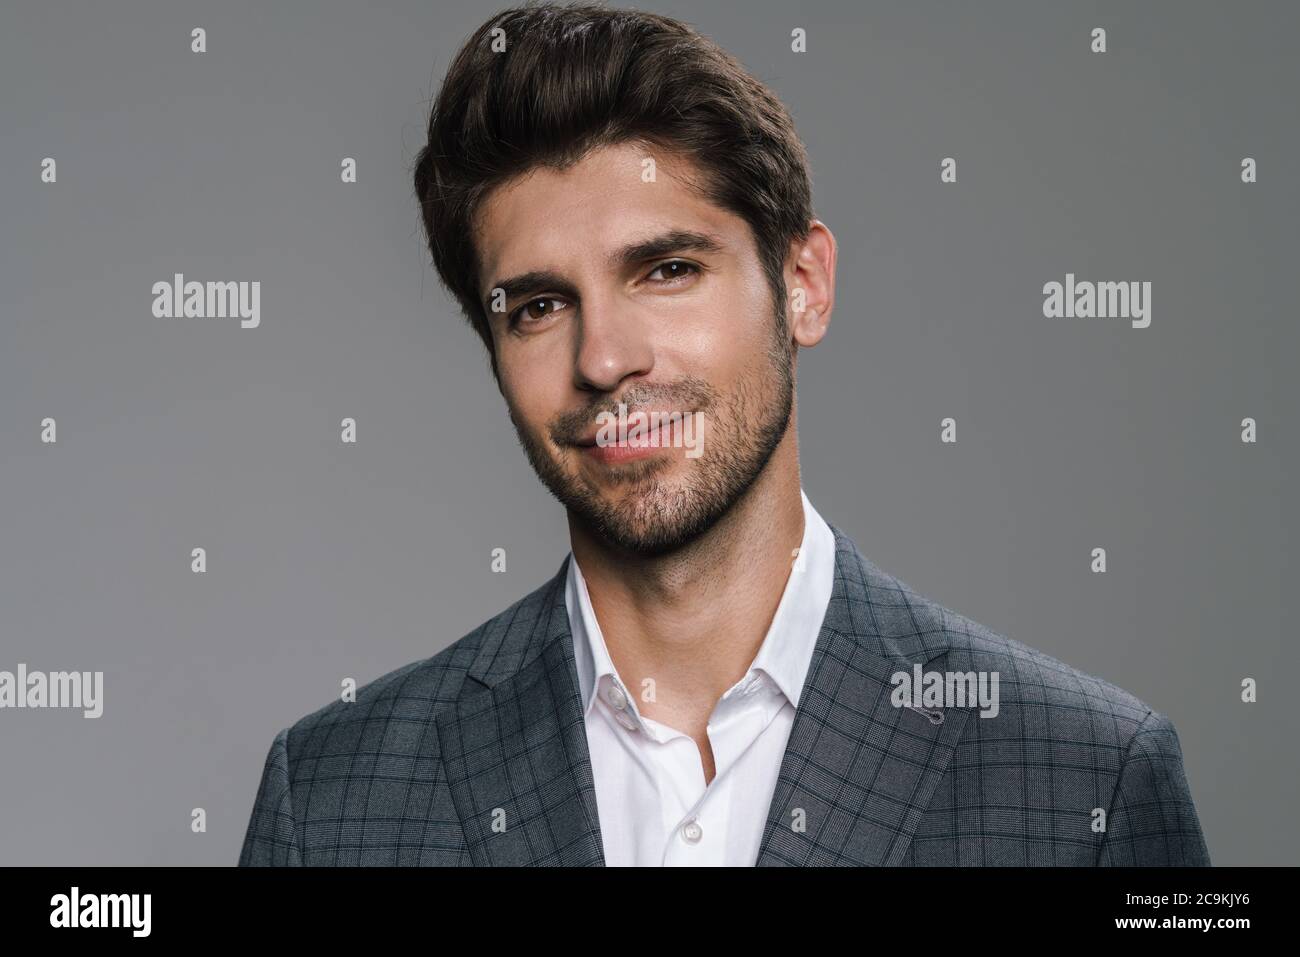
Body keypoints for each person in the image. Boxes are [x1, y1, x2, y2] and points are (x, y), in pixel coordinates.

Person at [239, 2, 1210, 866]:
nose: (606, 357)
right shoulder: (333, 800)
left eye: (665, 270)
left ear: (802, 285)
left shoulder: (1086, 777)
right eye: (538, 304)